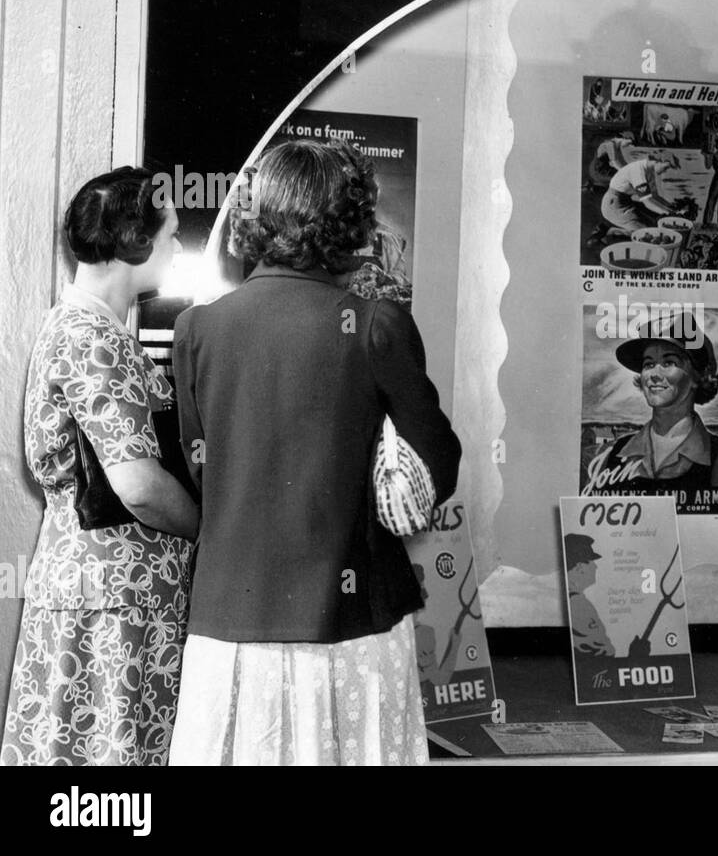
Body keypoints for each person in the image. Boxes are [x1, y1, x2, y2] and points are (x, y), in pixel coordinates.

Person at [168, 138, 462, 766]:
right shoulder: (376, 323)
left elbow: (201, 470)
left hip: (229, 626)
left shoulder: (198, 329)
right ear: (350, 223)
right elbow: (437, 464)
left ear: (258, 216)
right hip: (350, 625)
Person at [2, 167, 198, 765]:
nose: (176, 245)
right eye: (169, 233)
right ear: (134, 241)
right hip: (113, 601)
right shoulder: (92, 337)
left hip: (106, 593)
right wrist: (205, 531)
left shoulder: (89, 328)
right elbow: (137, 484)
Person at [582, 310, 718, 503]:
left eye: (669, 362)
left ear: (696, 377)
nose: (654, 374)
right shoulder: (612, 454)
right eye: (649, 364)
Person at [599, 154, 681, 234]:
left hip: (625, 202)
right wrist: (668, 214)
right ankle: (611, 232)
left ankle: (625, 229)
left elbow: (655, 197)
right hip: (613, 207)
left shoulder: (649, 171)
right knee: (646, 233)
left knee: (653, 222)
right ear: (658, 161)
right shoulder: (638, 170)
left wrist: (672, 209)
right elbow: (648, 203)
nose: (665, 171)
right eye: (666, 167)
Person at [565, 534, 615, 656]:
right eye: (592, 561)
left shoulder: (569, 598)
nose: (595, 566)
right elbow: (603, 653)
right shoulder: (577, 603)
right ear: (580, 567)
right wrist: (637, 655)